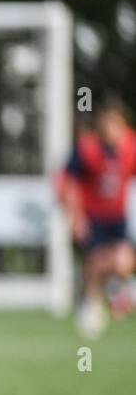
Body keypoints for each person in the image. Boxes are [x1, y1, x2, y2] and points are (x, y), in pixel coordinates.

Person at [58, 97, 136, 338]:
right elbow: (68, 181)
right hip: (92, 219)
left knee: (122, 261)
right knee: (96, 265)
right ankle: (93, 304)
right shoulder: (88, 149)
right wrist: (75, 216)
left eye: (115, 124)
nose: (110, 130)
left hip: (118, 218)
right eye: (106, 124)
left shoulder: (131, 147)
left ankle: (116, 295)